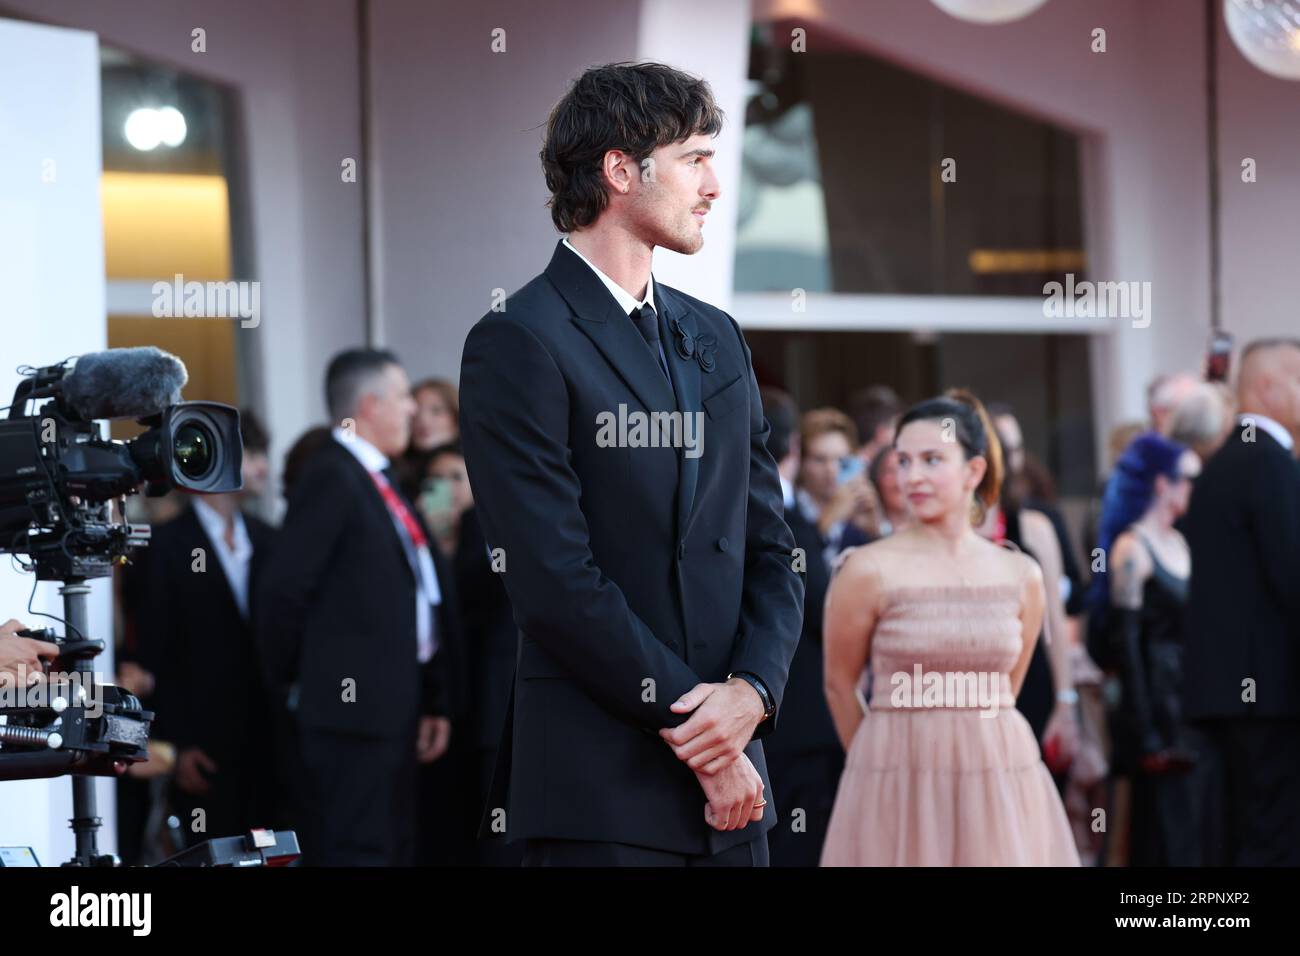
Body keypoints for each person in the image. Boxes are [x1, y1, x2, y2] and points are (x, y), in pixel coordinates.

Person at [458, 62, 803, 866]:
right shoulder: (519, 338)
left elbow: (772, 550)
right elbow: (554, 582)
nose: (715, 184)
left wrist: (753, 696)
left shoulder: (715, 334)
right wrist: (709, 740)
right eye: (694, 158)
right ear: (621, 169)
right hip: (601, 793)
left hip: (738, 791)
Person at [821, 390, 1079, 866]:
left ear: (973, 471)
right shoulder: (866, 569)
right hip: (894, 777)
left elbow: (1008, 689)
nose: (912, 476)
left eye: (932, 459)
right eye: (903, 461)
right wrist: (879, 764)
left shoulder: (1020, 575)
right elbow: (839, 685)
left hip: (1000, 775)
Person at [256, 348, 458, 866]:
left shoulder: (381, 479)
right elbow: (284, 591)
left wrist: (432, 696)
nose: (412, 410)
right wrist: (302, 685)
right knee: (356, 850)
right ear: (368, 405)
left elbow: (416, 594)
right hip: (350, 717)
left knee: (392, 847)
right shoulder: (333, 474)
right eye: (402, 399)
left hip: (394, 707)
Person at [135, 410, 278, 848]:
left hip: (270, 748)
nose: (262, 467)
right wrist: (173, 747)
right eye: (251, 454)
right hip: (202, 750)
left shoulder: (270, 537)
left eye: (262, 454)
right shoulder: (164, 546)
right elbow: (152, 654)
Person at [1183, 338, 1300, 865]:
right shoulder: (1268, 462)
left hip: (1227, 694)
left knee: (1240, 835)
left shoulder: (1220, 465)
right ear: (1269, 389)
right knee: (1273, 838)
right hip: (1269, 693)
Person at [1094, 432, 1213, 866]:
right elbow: (1126, 651)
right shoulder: (1131, 549)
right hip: (1158, 715)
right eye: (1187, 479)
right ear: (1162, 483)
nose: (1193, 489)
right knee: (1164, 835)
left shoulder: (1179, 543)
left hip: (1193, 705)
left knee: (1197, 831)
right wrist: (1147, 734)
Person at [758, 387, 844, 866]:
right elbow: (822, 611)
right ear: (794, 450)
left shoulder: (717, 505)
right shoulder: (786, 520)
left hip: (751, 723)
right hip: (797, 727)